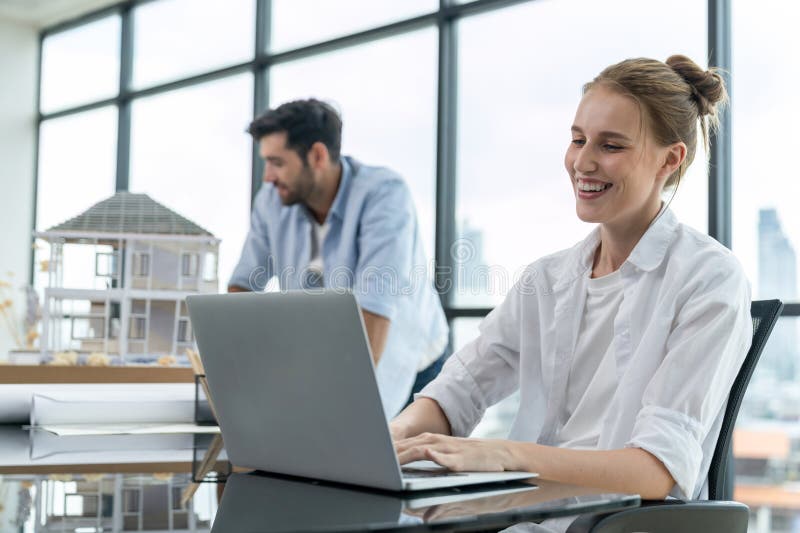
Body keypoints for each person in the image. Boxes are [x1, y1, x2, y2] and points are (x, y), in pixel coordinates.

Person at [391, 55, 752, 506]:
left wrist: (502, 454)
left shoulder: (708, 279)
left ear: (670, 159)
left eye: (611, 146)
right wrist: (393, 436)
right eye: (578, 140)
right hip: (519, 516)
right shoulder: (547, 278)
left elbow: (656, 471)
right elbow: (459, 390)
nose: (583, 162)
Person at [228, 99, 449, 419]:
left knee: (391, 462)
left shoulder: (384, 194)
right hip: (330, 362)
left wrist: (337, 408)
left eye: (277, 162)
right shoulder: (272, 201)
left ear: (317, 155)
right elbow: (244, 285)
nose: (268, 177)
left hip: (412, 365)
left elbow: (375, 307)